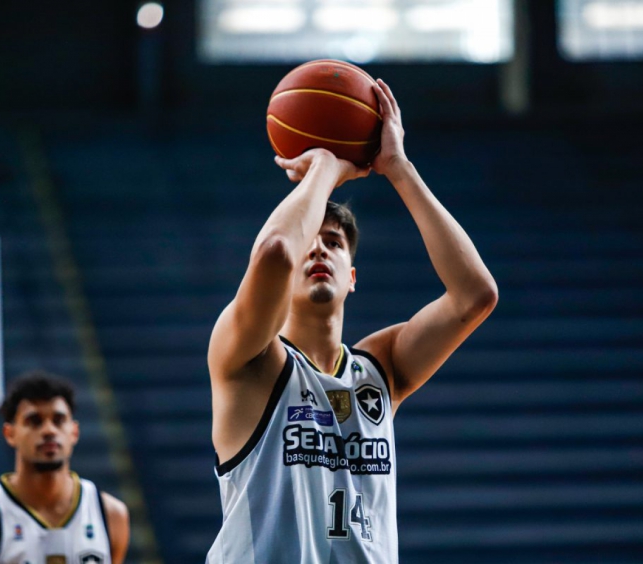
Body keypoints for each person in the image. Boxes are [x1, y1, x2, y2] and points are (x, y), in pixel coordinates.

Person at [206, 78, 498, 563]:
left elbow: (476, 295)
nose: (318, 247)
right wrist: (324, 167)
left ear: (352, 277)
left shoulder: (379, 370)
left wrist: (399, 169)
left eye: (335, 243)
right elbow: (277, 250)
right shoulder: (249, 361)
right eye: (311, 239)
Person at [0, 371, 130, 564]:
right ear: (10, 433)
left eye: (58, 420)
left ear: (74, 432)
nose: (49, 430)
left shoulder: (111, 514)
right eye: (34, 421)